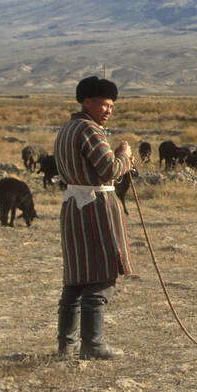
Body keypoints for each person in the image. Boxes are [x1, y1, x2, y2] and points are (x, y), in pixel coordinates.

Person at [54, 76, 133, 359]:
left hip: (73, 208)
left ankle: (66, 345)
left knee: (76, 278)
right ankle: (93, 344)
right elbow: (109, 169)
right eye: (105, 104)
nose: (109, 110)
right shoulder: (90, 129)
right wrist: (126, 156)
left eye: (112, 106)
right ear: (87, 102)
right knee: (100, 274)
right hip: (95, 209)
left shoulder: (66, 128)